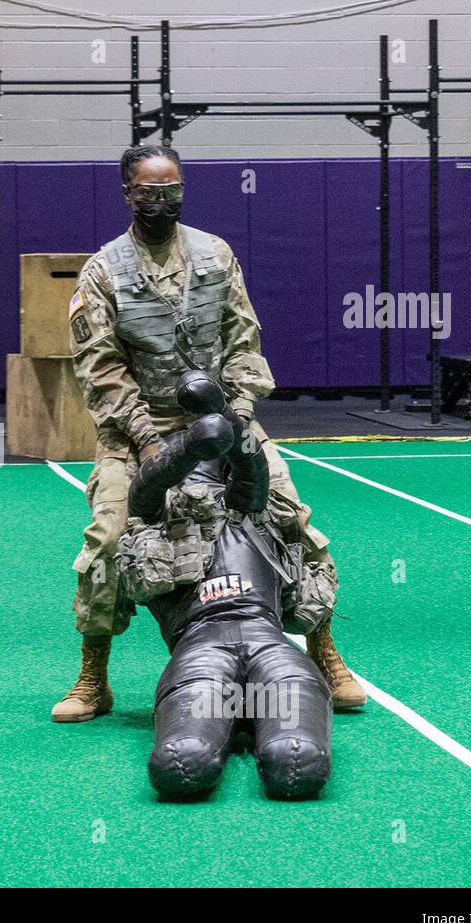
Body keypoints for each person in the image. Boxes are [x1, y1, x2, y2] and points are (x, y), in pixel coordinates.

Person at [54, 143, 365, 723]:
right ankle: (93, 674)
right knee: (108, 534)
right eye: (149, 192)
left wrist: (238, 417)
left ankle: (323, 648)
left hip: (224, 417)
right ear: (128, 194)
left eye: (172, 190)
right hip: (137, 428)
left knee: (289, 515)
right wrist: (150, 440)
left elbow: (244, 342)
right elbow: (100, 369)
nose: (162, 201)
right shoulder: (103, 272)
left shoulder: (216, 255)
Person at [122, 372, 333, 800]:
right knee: (184, 761)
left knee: (296, 759)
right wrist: (186, 446)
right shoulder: (154, 524)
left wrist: (227, 421)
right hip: (201, 649)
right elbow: (145, 490)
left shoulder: (250, 511)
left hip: (268, 643)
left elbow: (252, 466)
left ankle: (264, 724)